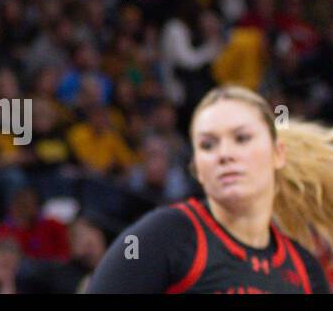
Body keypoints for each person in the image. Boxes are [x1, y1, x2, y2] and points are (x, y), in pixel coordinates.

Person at [87, 85, 331, 293]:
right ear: (198, 169)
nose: (224, 154)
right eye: (208, 145)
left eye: (242, 138)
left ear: (278, 154)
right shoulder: (164, 235)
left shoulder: (305, 269)